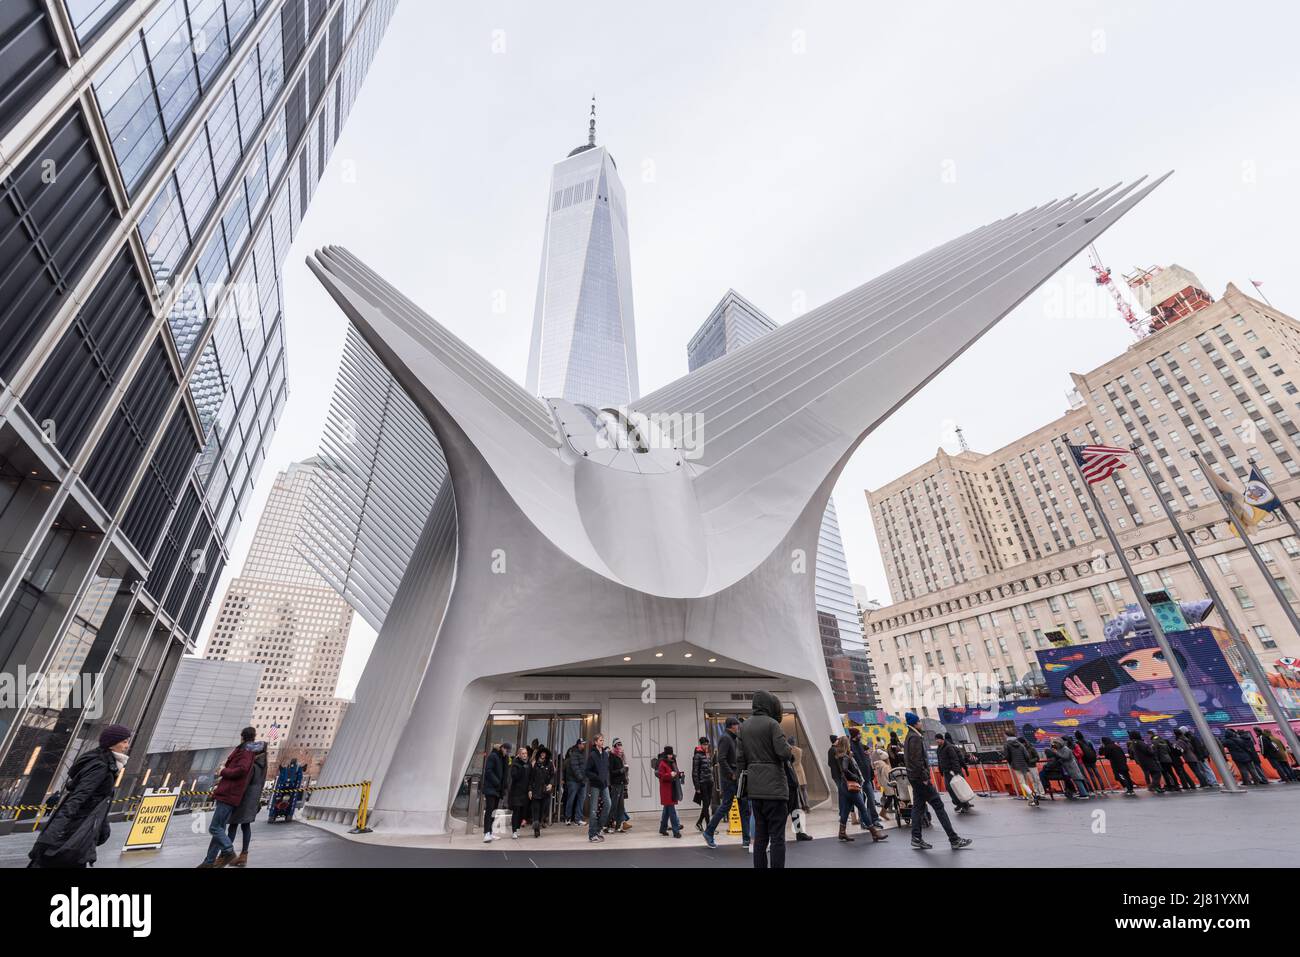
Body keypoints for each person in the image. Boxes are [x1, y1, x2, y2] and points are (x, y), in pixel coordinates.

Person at [28, 724, 131, 868]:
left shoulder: (108, 763)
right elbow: (79, 797)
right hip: (76, 828)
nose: (127, 745)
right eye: (124, 741)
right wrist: (51, 833)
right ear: (112, 743)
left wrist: (103, 825)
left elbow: (98, 800)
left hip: (82, 826)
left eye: (127, 741)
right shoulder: (101, 765)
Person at [736, 690, 793, 868]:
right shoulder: (772, 724)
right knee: (777, 837)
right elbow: (783, 752)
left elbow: (740, 759)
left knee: (760, 836)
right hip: (775, 788)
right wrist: (789, 748)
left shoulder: (743, 727)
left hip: (755, 789)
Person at [903, 712, 971, 851]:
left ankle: (916, 837)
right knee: (938, 806)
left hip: (915, 779)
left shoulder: (909, 737)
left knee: (918, 807)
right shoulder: (915, 737)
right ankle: (954, 839)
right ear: (915, 723)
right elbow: (917, 761)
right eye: (919, 722)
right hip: (921, 780)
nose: (921, 724)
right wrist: (925, 778)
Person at [199, 726, 258, 867]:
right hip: (229, 793)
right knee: (218, 829)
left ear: (242, 736)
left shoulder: (246, 751)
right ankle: (209, 861)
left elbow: (242, 770)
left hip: (229, 794)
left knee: (214, 828)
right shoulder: (246, 750)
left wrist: (224, 771)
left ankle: (228, 850)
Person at [703, 717, 748, 848]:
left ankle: (746, 839)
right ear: (731, 726)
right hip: (731, 779)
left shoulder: (734, 738)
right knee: (726, 806)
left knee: (743, 807)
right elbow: (721, 759)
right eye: (737, 725)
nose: (738, 727)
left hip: (737, 778)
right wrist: (731, 774)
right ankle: (709, 832)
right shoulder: (725, 738)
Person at [834, 736, 888, 843]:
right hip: (852, 787)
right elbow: (845, 770)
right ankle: (874, 833)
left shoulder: (840, 756)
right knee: (863, 809)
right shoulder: (845, 757)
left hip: (845, 786)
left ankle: (842, 832)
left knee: (846, 809)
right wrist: (856, 777)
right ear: (846, 744)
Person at [227, 737, 267, 866]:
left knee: (233, 825)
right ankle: (244, 855)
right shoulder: (263, 766)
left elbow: (244, 783)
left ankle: (227, 853)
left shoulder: (253, 766)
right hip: (253, 800)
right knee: (246, 826)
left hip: (243, 798)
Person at [848, 727, 883, 829]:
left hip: (867, 777)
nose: (860, 735)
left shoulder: (859, 744)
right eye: (859, 734)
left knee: (871, 799)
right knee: (861, 801)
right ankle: (864, 821)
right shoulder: (851, 747)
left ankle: (874, 819)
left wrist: (867, 753)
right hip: (859, 779)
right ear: (855, 735)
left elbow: (866, 753)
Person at [585, 733, 612, 842]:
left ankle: (598, 829)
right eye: (600, 740)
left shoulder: (605, 754)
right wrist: (596, 777)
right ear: (595, 742)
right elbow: (587, 771)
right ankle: (592, 835)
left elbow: (606, 769)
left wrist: (606, 779)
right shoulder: (592, 755)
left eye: (603, 740)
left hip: (604, 784)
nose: (602, 742)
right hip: (595, 785)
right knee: (593, 810)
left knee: (608, 804)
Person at [936, 733, 972, 813]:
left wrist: (956, 771)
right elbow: (940, 761)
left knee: (958, 788)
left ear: (942, 739)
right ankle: (959, 803)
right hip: (946, 772)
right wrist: (941, 770)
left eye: (938, 739)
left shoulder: (949, 747)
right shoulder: (939, 749)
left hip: (953, 771)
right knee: (950, 789)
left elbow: (954, 759)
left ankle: (964, 804)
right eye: (936, 740)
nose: (936, 741)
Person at [1002, 733, 1040, 805]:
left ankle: (1032, 794)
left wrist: (1011, 762)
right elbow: (1027, 756)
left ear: (1007, 736)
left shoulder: (1007, 745)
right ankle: (1031, 800)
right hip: (1024, 765)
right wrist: (1026, 762)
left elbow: (1007, 756)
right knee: (1026, 783)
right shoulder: (1021, 744)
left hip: (1016, 765)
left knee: (1022, 783)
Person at [482, 741, 509, 841]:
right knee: (489, 810)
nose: (507, 751)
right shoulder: (493, 756)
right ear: (501, 748)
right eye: (506, 749)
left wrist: (503, 785)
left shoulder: (503, 758)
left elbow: (504, 773)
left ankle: (490, 832)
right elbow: (488, 771)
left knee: (493, 811)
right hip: (491, 788)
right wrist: (497, 782)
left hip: (498, 790)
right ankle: (486, 833)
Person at [656, 746, 685, 837]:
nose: (670, 756)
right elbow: (661, 776)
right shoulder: (662, 764)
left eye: (671, 754)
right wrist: (670, 775)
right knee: (671, 811)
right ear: (666, 754)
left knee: (667, 811)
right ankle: (676, 832)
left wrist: (680, 774)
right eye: (669, 754)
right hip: (666, 790)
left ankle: (662, 829)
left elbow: (676, 772)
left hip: (672, 789)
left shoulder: (673, 762)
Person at [529, 745, 556, 837]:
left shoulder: (549, 764)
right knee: (536, 810)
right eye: (541, 753)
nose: (543, 754)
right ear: (539, 754)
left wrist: (551, 784)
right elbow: (530, 779)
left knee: (543, 810)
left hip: (545, 792)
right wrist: (530, 790)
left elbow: (553, 776)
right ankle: (536, 828)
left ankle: (539, 821)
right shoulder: (534, 764)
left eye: (544, 753)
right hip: (536, 791)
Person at [505, 745, 532, 838]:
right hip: (516, 791)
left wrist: (529, 789)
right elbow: (514, 776)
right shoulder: (515, 764)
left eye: (526, 753)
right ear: (519, 755)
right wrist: (521, 768)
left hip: (525, 792)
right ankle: (514, 830)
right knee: (516, 811)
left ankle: (518, 828)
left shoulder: (528, 764)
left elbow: (530, 778)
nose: (525, 755)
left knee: (522, 811)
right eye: (523, 754)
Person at [606, 738, 630, 833]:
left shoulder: (620, 756)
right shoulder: (611, 756)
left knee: (621, 806)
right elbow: (611, 771)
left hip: (621, 783)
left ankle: (618, 826)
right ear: (615, 745)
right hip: (615, 784)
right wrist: (621, 770)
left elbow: (622, 770)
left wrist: (625, 773)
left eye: (621, 744)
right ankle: (608, 825)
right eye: (618, 744)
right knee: (614, 806)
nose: (620, 746)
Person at [563, 739, 588, 824]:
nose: (584, 746)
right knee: (571, 799)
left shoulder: (582, 754)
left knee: (581, 799)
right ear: (578, 744)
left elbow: (583, 768)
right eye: (582, 744)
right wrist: (581, 778)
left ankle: (578, 819)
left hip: (581, 781)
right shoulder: (574, 753)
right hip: (573, 781)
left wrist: (585, 778)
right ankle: (568, 818)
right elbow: (575, 768)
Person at [692, 737, 714, 831]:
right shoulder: (697, 755)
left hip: (709, 782)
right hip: (702, 783)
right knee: (705, 804)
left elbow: (709, 767)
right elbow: (695, 772)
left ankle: (699, 822)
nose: (706, 746)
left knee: (707, 804)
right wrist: (697, 786)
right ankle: (709, 827)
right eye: (704, 744)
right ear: (701, 745)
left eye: (707, 744)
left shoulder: (707, 754)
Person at [788, 736, 810, 812]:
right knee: (804, 789)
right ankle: (807, 805)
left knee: (796, 791)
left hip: (793, 770)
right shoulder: (799, 750)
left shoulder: (788, 750)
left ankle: (799, 806)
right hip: (800, 770)